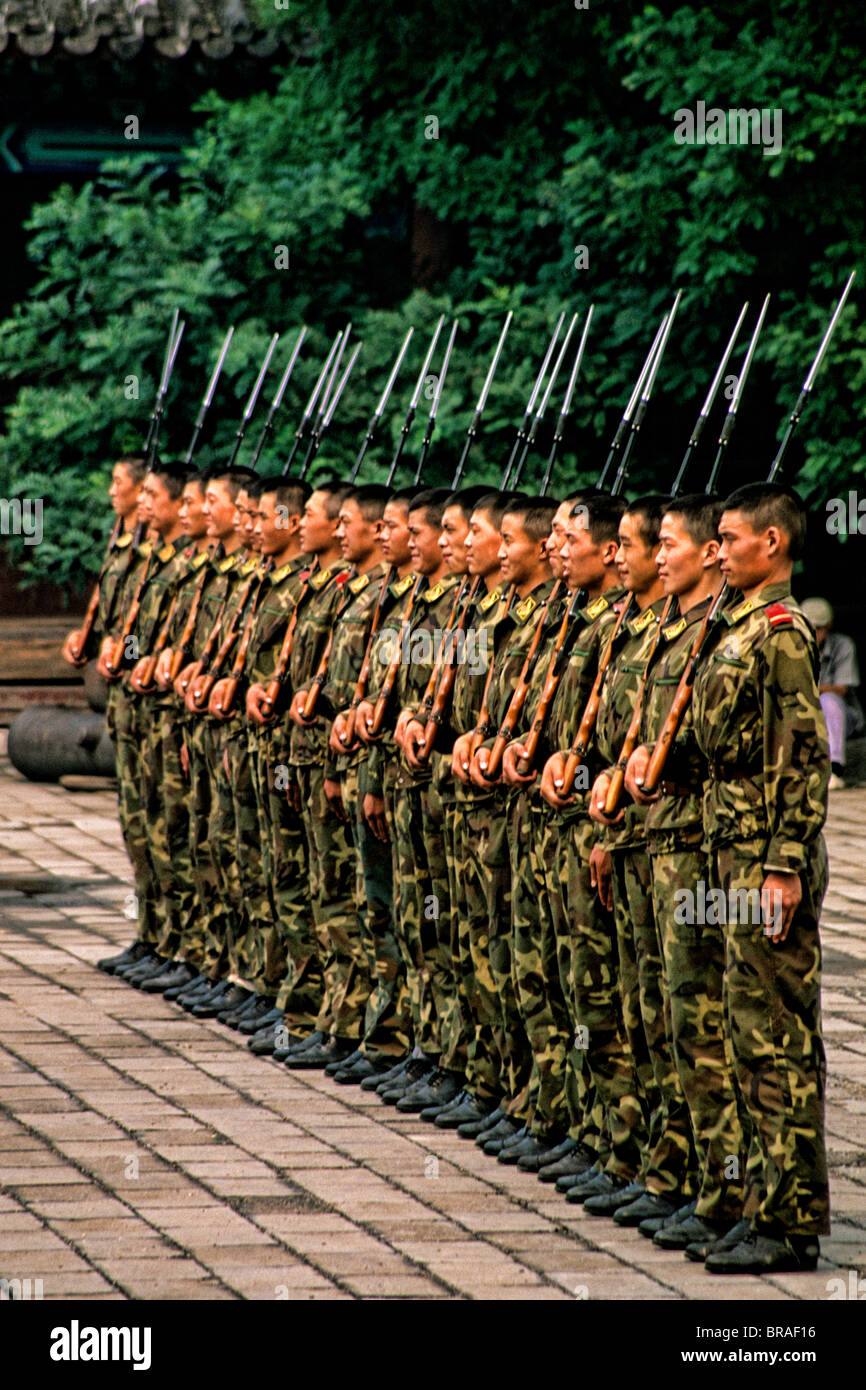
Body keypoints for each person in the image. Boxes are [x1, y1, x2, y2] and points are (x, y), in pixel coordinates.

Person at [800, 596, 863, 788]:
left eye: (819, 628)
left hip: (841, 718)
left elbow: (841, 689)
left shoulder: (843, 645)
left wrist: (809, 689)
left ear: (829, 626)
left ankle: (835, 768)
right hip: (804, 713)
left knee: (829, 700)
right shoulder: (793, 645)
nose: (814, 633)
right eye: (809, 627)